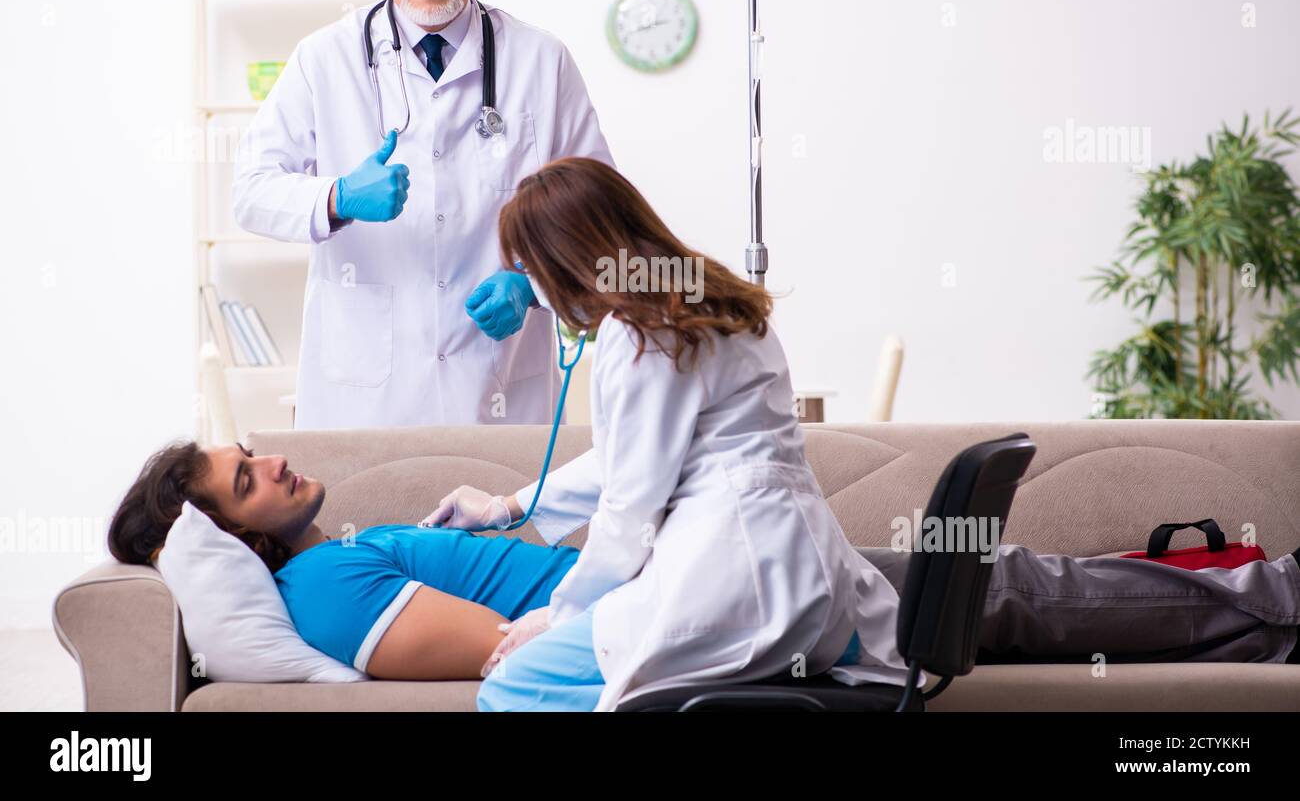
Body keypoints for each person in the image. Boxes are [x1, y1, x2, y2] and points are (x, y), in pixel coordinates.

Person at [421, 157, 1300, 712]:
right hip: (793, 568)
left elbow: (629, 505)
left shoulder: (640, 335)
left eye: (533, 270)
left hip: (731, 577)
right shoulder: (702, 302)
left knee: (513, 689)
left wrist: (556, 614)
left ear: (568, 256)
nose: (535, 291)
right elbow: (629, 462)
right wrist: (512, 502)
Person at [107, 436, 1300, 694]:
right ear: (240, 539)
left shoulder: (348, 550)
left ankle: (1265, 603)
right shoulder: (320, 592)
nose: (272, 461)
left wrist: (512, 513)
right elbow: (510, 652)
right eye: (247, 479)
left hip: (704, 564)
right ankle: (1279, 603)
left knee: (1015, 587)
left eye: (251, 453)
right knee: (1013, 593)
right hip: (702, 594)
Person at [232, 0, 613, 430]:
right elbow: (250, 191)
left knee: (499, 492)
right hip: (361, 405)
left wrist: (533, 285)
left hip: (497, 392)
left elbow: (599, 213)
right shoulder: (324, 59)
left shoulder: (541, 61)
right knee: (363, 492)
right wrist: (338, 197)